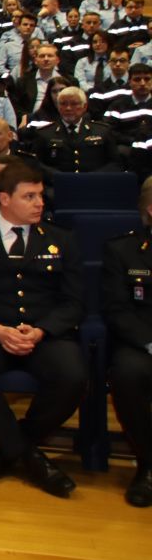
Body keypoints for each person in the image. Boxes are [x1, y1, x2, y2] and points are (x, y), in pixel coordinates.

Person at [0, 160, 86, 498]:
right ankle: (30, 457)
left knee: (73, 375)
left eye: (40, 195)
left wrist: (41, 331)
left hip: (44, 334)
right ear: (5, 199)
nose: (40, 203)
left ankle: (10, 450)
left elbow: (73, 302)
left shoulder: (62, 240)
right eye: (30, 196)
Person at [102, 175, 152, 507]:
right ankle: (148, 463)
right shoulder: (123, 249)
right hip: (142, 340)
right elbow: (116, 308)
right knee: (128, 373)